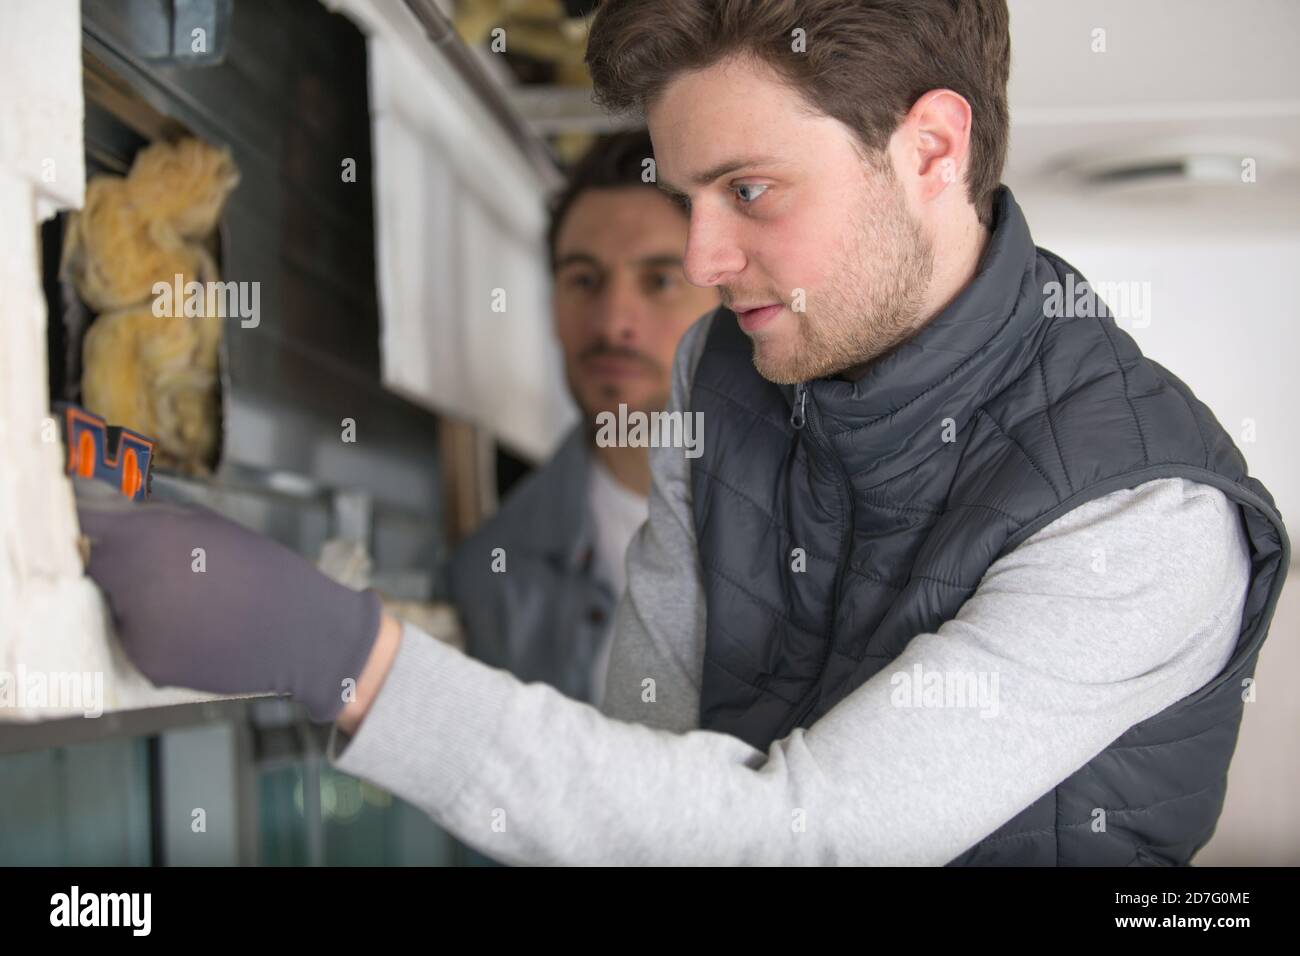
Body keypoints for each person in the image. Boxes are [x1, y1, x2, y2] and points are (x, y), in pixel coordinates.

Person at [77, 0, 1289, 865]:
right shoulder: (723, 374)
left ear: (930, 148)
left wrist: (349, 657)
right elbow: (646, 759)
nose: (703, 262)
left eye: (749, 191)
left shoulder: (1146, 520)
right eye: (687, 192)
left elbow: (805, 837)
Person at [447, 130, 719, 710]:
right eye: (584, 280)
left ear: (728, 304)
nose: (613, 322)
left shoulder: (824, 520)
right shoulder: (492, 575)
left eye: (660, 280)